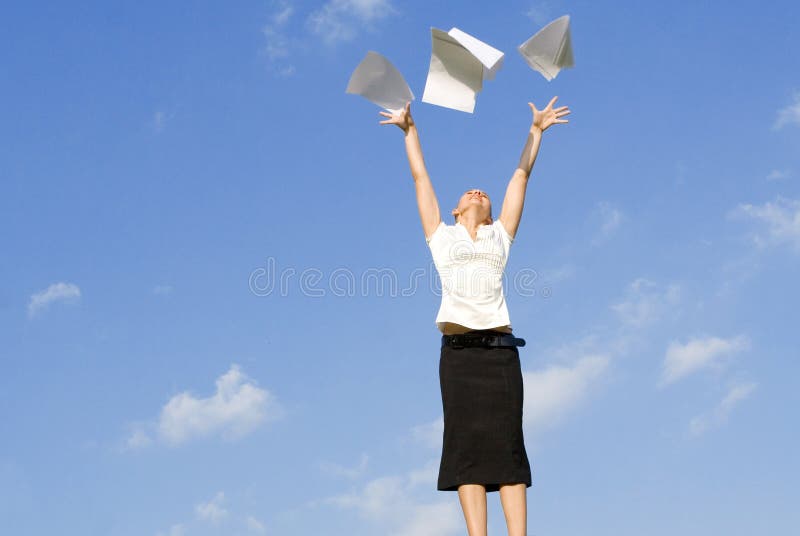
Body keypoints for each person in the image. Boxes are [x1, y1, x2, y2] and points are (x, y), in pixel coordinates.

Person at [379, 96, 569, 536]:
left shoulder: (499, 237)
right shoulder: (441, 238)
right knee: (465, 449)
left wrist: (536, 132)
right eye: (469, 192)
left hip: (500, 355)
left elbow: (521, 176)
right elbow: (420, 176)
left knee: (507, 448)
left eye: (483, 192)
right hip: (458, 356)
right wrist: (410, 131)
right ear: (455, 210)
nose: (478, 192)